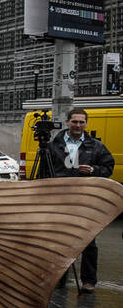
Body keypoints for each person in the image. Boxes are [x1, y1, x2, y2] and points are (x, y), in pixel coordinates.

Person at [49, 108, 115, 292]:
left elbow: (108, 167)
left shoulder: (96, 146)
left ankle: (88, 281)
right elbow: (44, 173)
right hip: (60, 199)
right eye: (74, 122)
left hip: (85, 200)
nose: (78, 125)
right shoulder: (54, 145)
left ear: (86, 124)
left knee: (88, 242)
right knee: (59, 241)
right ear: (68, 122)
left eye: (81, 122)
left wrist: (94, 170)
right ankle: (58, 279)